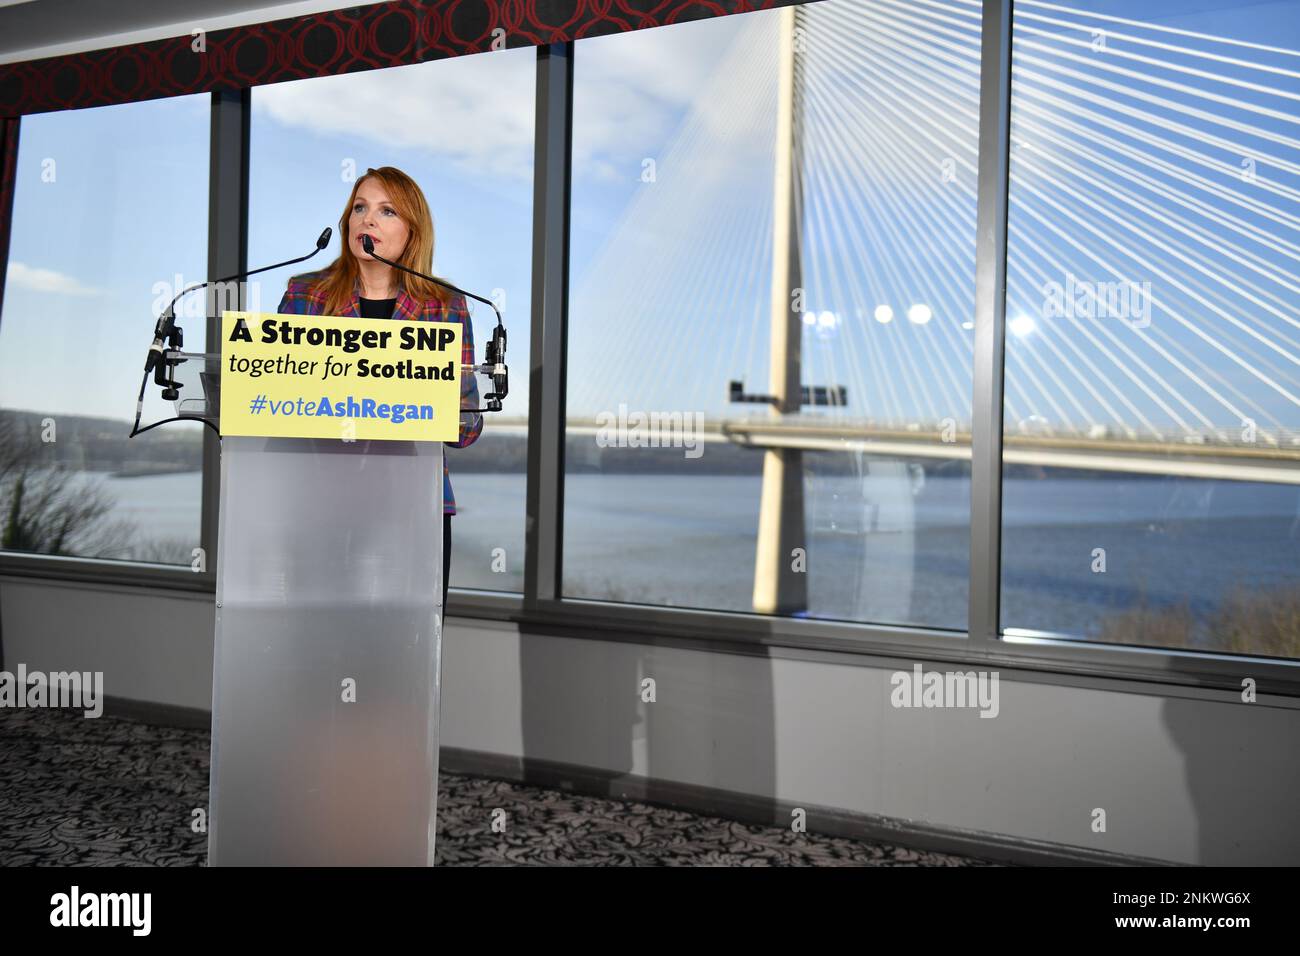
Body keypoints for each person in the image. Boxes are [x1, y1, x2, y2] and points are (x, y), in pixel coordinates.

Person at [275, 165, 483, 613]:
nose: (367, 220)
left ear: (412, 231)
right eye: (359, 208)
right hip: (320, 505)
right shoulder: (305, 295)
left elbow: (465, 426)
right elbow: (272, 400)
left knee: (401, 658)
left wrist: (405, 399)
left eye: (386, 211)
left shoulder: (444, 306)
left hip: (410, 511)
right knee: (317, 645)